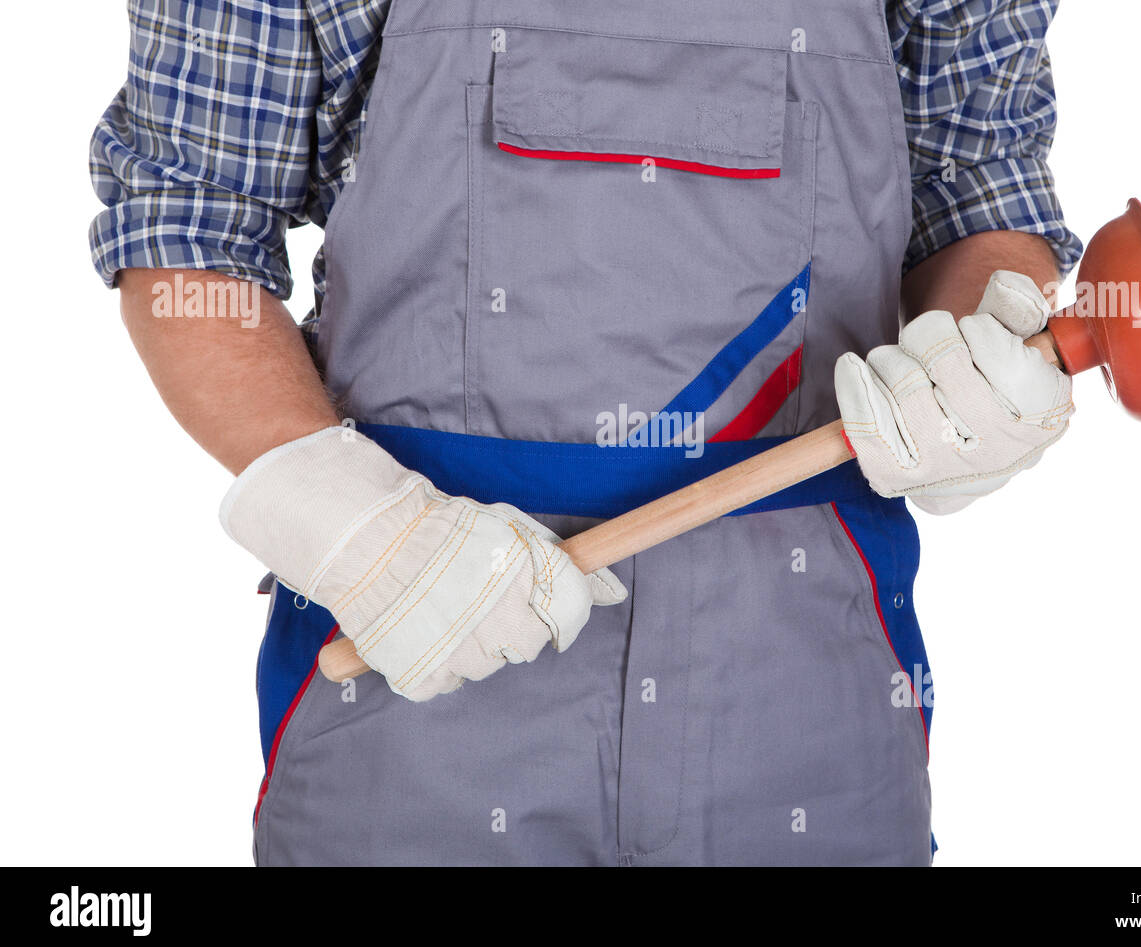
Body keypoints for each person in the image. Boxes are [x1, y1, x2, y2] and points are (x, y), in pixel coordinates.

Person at [90, 0, 1081, 866]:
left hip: (806, 676)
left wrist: (974, 360)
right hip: (419, 637)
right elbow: (189, 228)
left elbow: (975, 189)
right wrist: (364, 537)